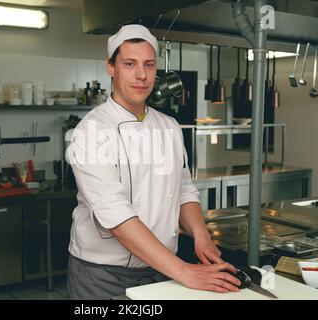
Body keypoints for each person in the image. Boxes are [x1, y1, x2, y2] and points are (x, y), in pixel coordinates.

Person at [65, 24, 240, 300]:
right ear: (111, 68)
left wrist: (200, 235)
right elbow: (115, 214)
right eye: (129, 64)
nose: (141, 75)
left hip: (160, 270)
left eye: (148, 64)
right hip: (103, 277)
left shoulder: (169, 126)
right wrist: (183, 271)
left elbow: (183, 189)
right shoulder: (91, 132)